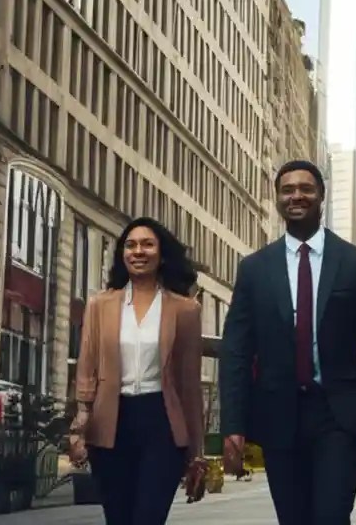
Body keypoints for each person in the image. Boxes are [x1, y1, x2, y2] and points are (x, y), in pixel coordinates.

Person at [219, 160, 356, 525]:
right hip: (279, 415)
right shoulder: (254, 269)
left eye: (306, 188)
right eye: (287, 190)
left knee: (331, 516)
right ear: (278, 199)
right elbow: (236, 351)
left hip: (338, 416)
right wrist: (233, 424)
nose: (296, 195)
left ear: (321, 197)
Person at [68, 217, 207, 525]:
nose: (138, 251)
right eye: (130, 245)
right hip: (111, 423)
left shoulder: (185, 310)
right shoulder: (100, 305)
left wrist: (196, 451)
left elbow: (189, 385)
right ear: (122, 254)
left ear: (161, 254)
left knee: (148, 517)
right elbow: (87, 366)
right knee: (118, 518)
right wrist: (80, 424)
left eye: (147, 244)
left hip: (163, 424)